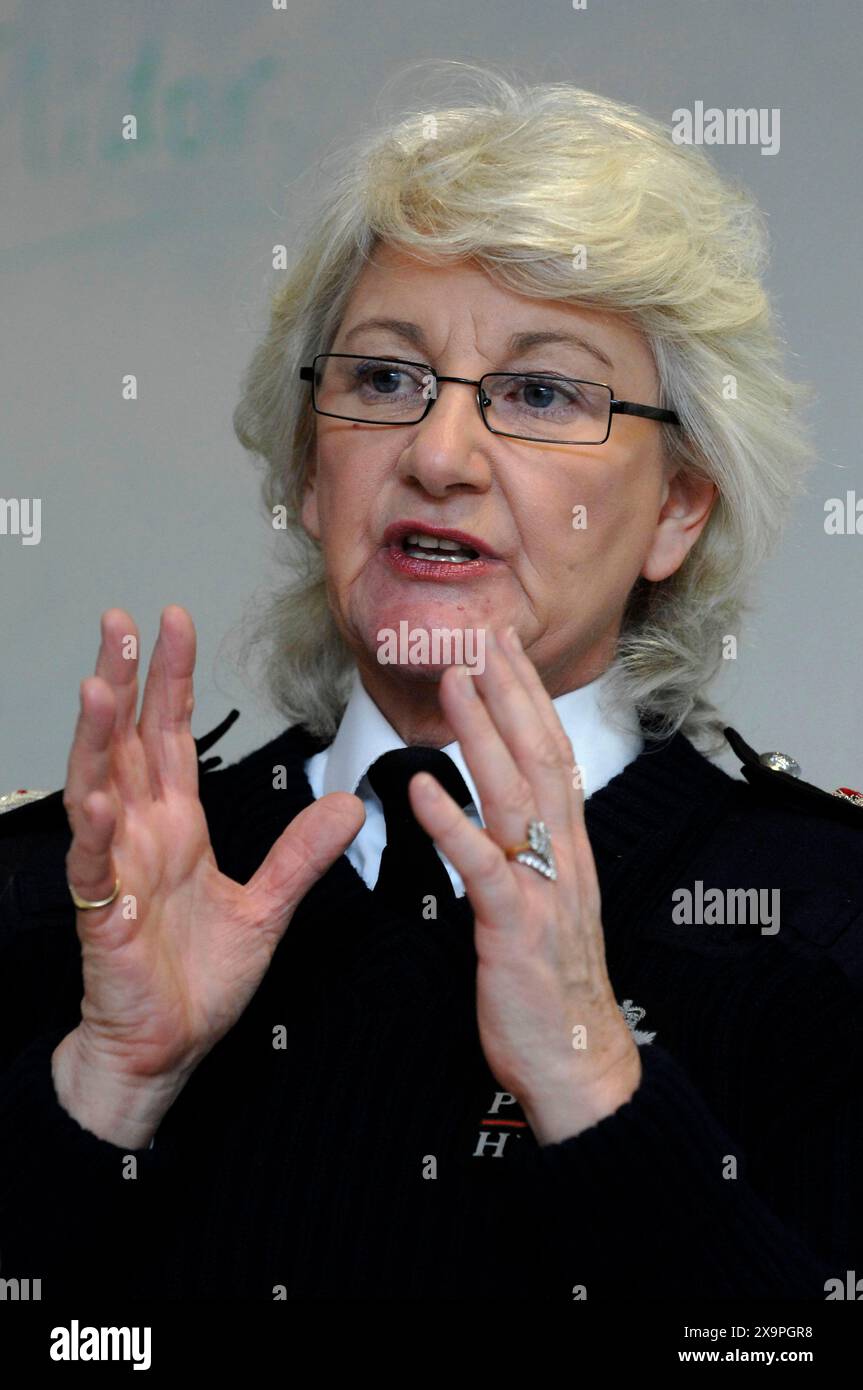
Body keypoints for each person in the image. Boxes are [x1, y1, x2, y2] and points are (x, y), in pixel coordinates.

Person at [2, 65, 862, 1303]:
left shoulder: (824, 934)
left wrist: (590, 1083)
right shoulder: (72, 907)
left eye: (541, 393)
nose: (439, 454)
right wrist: (108, 1082)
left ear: (675, 506)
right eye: (385, 380)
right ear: (310, 471)